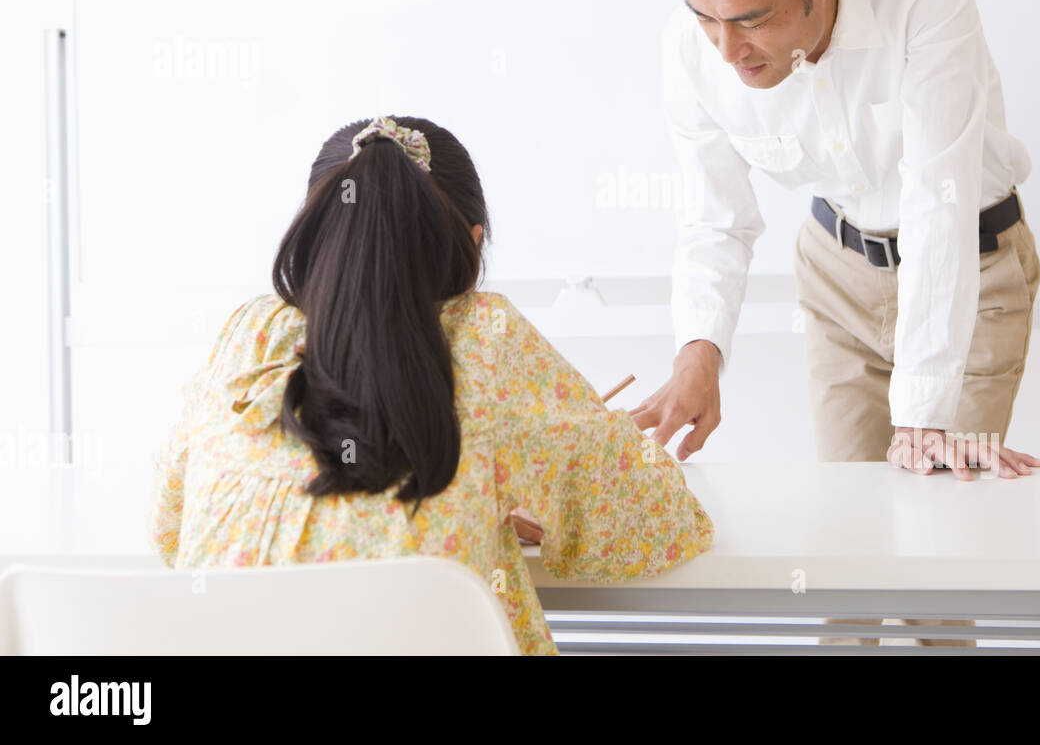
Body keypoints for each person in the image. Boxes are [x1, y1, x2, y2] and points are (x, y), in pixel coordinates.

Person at [630, 0, 1040, 646]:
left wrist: (923, 416)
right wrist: (699, 353)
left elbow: (938, 200)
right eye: (704, 16)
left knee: (929, 554)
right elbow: (716, 217)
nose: (726, 49)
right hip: (835, 277)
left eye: (752, 19)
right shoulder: (696, 51)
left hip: (973, 272)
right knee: (842, 557)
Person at [149, 115, 713, 656]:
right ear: (470, 240)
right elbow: (660, 524)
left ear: (323, 229)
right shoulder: (489, 338)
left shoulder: (251, 330)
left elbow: (171, 528)